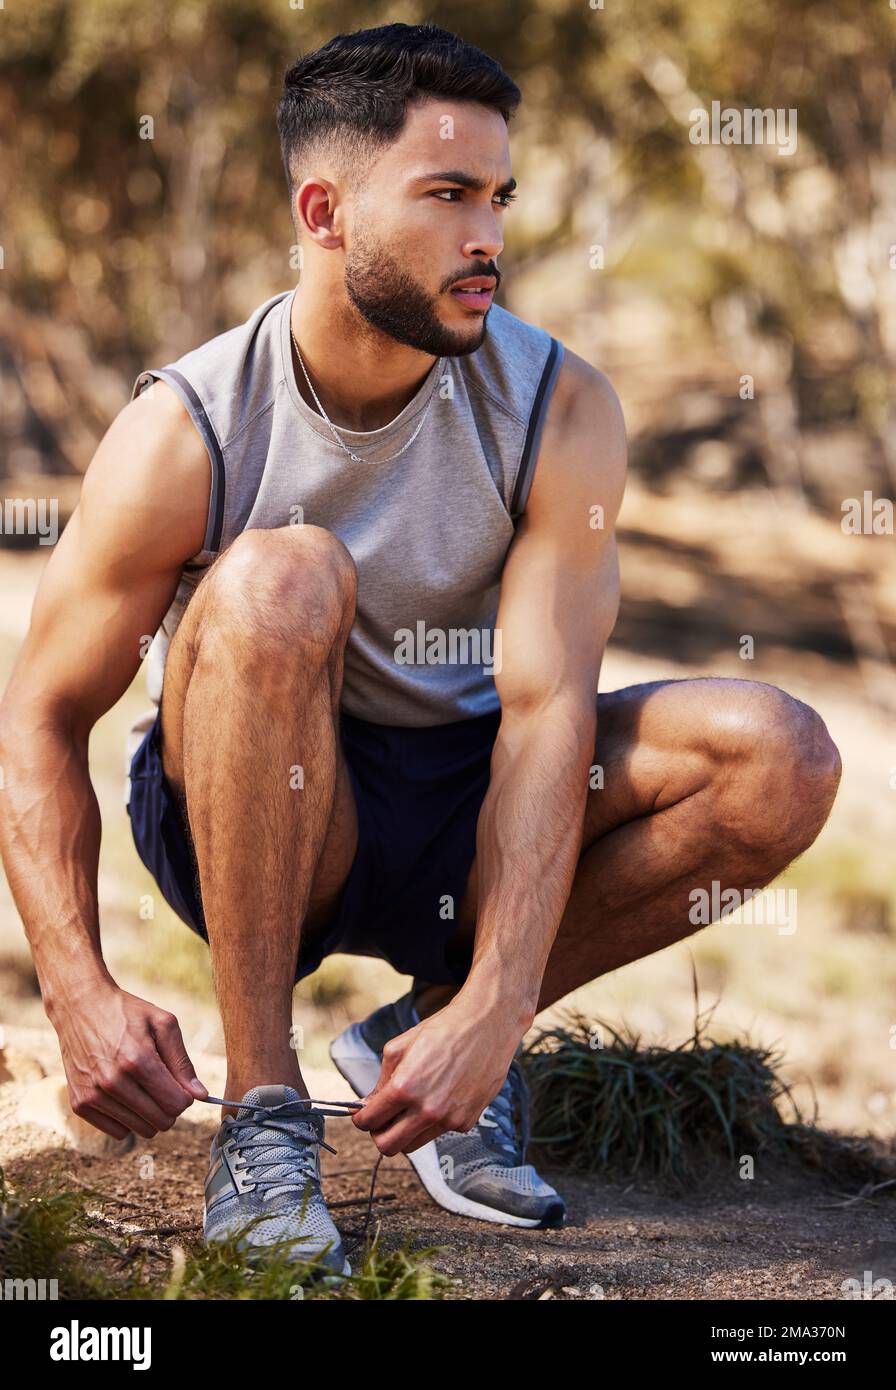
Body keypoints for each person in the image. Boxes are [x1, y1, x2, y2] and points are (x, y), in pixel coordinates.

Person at [0, 23, 841, 1279]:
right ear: (325, 209)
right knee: (286, 573)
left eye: (498, 196)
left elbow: (550, 709)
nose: (487, 234)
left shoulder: (558, 406)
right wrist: (75, 986)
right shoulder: (187, 425)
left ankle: (435, 1036)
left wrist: (494, 1007)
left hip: (471, 794)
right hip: (269, 802)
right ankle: (266, 1116)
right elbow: (37, 717)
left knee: (779, 754)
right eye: (448, 195)